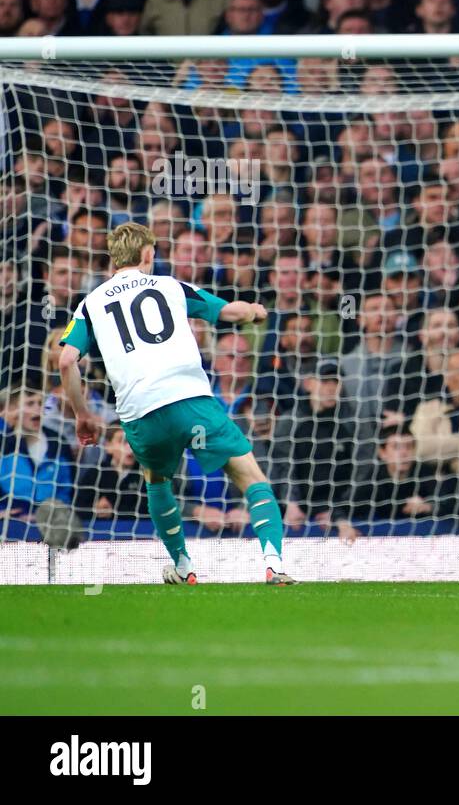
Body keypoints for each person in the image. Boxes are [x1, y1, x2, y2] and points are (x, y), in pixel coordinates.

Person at [56, 222, 296, 585]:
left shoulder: (91, 303)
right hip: (190, 399)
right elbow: (230, 312)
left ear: (112, 259)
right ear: (148, 254)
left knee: (157, 480)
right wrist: (254, 310)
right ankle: (273, 563)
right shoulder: (170, 287)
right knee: (249, 476)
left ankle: (183, 565)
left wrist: (83, 415)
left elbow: (65, 360)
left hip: (141, 414)